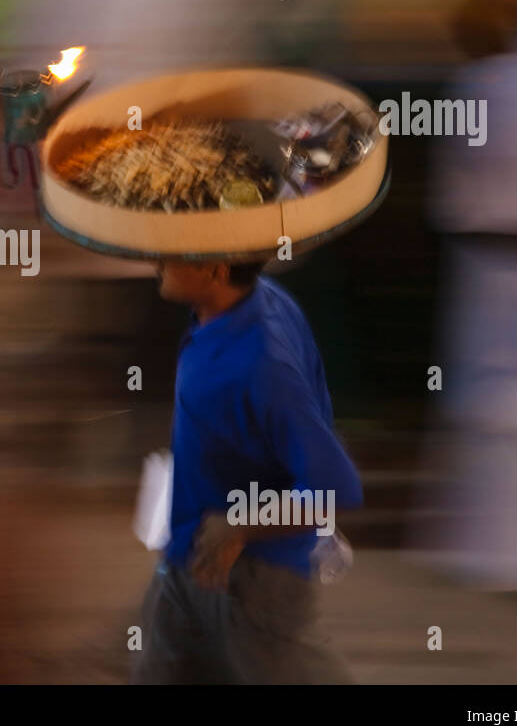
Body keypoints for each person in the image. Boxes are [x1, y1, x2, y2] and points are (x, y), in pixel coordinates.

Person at [133, 258, 363, 683]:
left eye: (172, 254)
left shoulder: (263, 363)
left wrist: (239, 525)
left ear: (215, 271)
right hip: (187, 564)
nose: (155, 261)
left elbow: (335, 488)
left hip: (253, 584)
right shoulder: (236, 307)